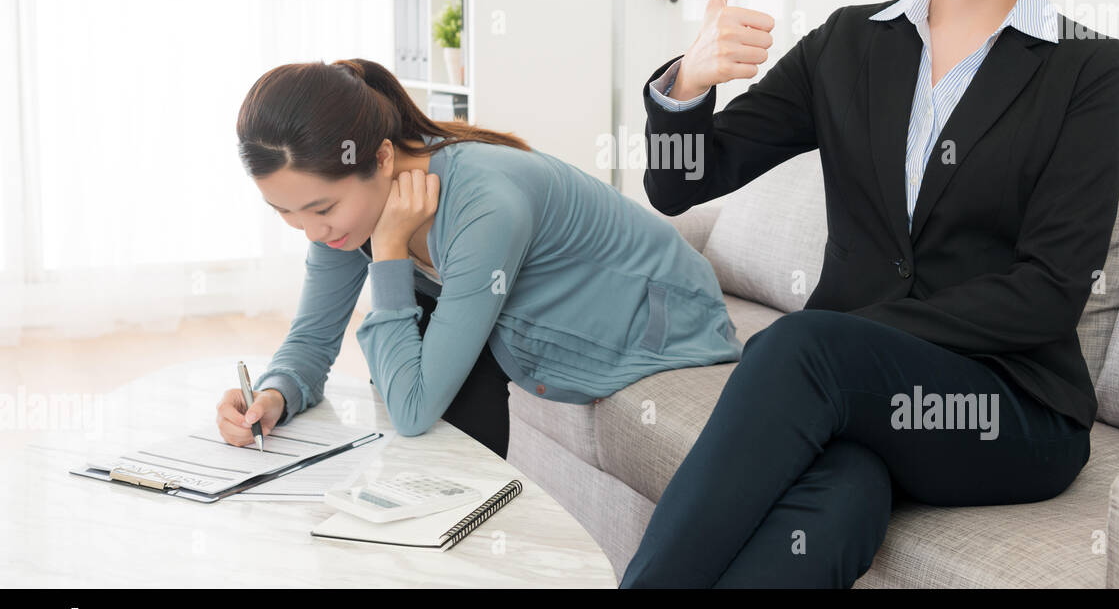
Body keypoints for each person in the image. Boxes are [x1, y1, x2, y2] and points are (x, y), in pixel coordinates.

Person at [621, 0, 1119, 587]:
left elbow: (1047, 294)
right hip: (866, 398)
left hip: (1007, 407)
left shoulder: (1087, 67)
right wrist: (688, 80)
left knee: (801, 346)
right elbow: (685, 182)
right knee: (840, 502)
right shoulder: (849, 44)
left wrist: (859, 337)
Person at [215, 57, 742, 460]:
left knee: (422, 348)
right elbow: (311, 339)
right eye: (285, 212)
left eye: (321, 208)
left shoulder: (485, 206)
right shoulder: (342, 216)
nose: (311, 230)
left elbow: (414, 409)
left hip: (668, 320)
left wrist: (391, 250)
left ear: (380, 157)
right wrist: (273, 395)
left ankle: (457, 536)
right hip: (530, 312)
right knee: (421, 333)